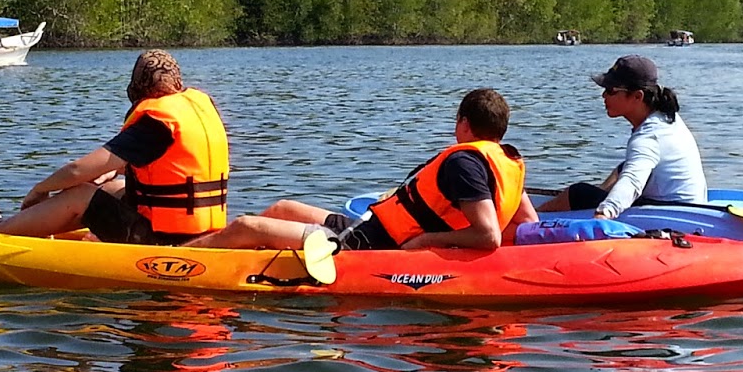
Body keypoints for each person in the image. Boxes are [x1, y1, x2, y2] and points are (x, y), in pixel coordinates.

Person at [187, 87, 537, 252]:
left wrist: (430, 240)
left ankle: (174, 260)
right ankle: (243, 259)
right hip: (368, 227)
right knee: (283, 208)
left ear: (463, 122)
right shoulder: (505, 162)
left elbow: (489, 236)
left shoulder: (464, 163)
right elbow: (527, 224)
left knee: (248, 225)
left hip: (368, 247)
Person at [0, 50, 230, 244]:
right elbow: (174, 165)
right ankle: (29, 227)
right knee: (112, 188)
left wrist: (39, 190)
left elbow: (77, 171)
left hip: (163, 242)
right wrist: (119, 169)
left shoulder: (156, 122)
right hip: (200, 230)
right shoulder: (199, 106)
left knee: (81, 194)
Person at [535, 54, 707, 219]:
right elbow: (630, 168)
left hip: (671, 216)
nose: (603, 96)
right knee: (620, 171)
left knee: (578, 193)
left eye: (611, 90)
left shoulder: (648, 137)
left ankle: (531, 221)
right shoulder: (667, 118)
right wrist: (603, 191)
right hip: (689, 207)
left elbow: (633, 180)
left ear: (637, 96)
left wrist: (605, 211)